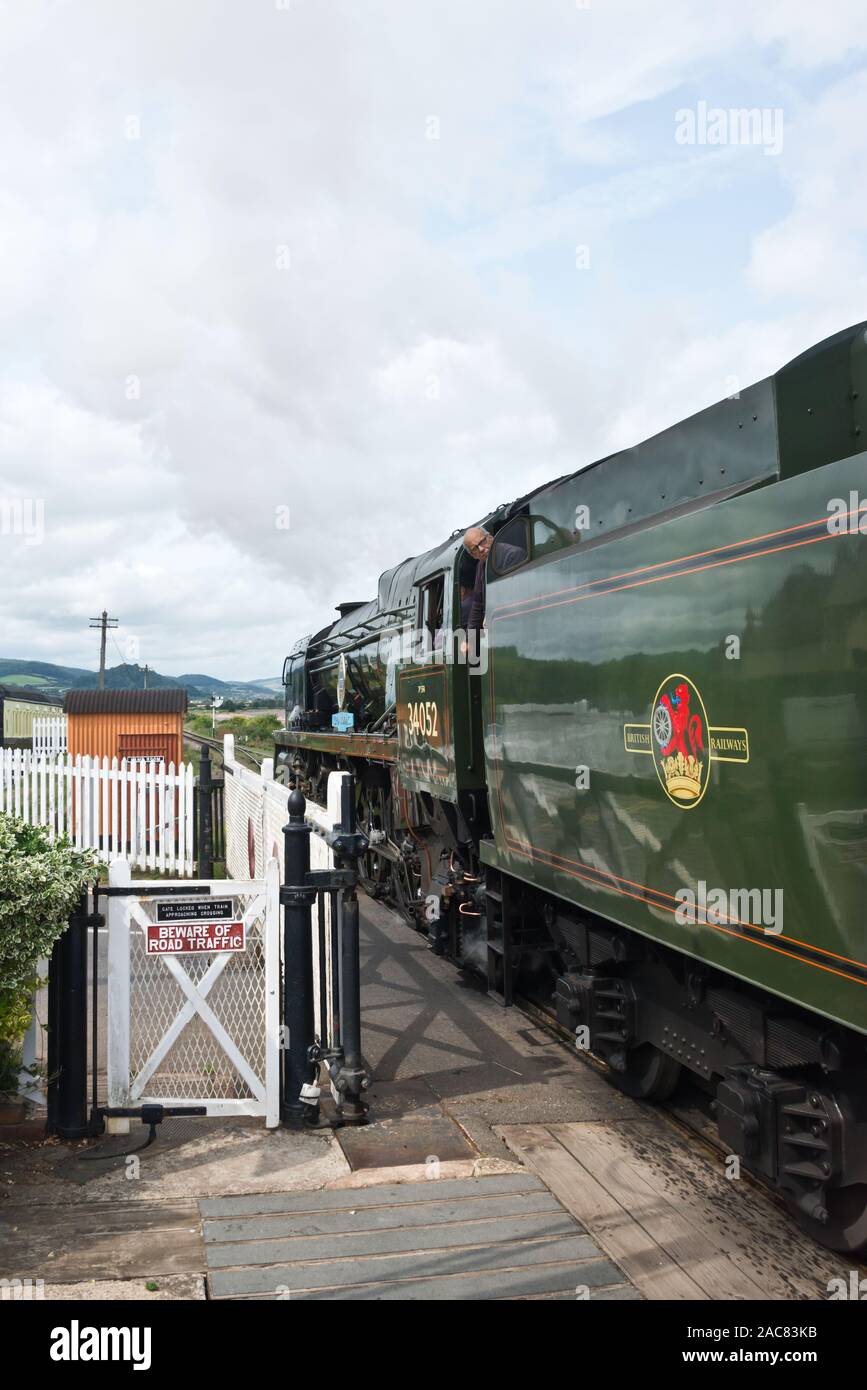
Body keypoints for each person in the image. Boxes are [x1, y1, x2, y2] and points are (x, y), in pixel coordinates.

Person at [463, 525, 526, 633]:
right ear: (473, 555)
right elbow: (478, 603)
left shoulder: (513, 555)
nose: (481, 549)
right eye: (475, 549)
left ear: (490, 538)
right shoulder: (481, 565)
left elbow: (515, 598)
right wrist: (470, 637)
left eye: (482, 542)